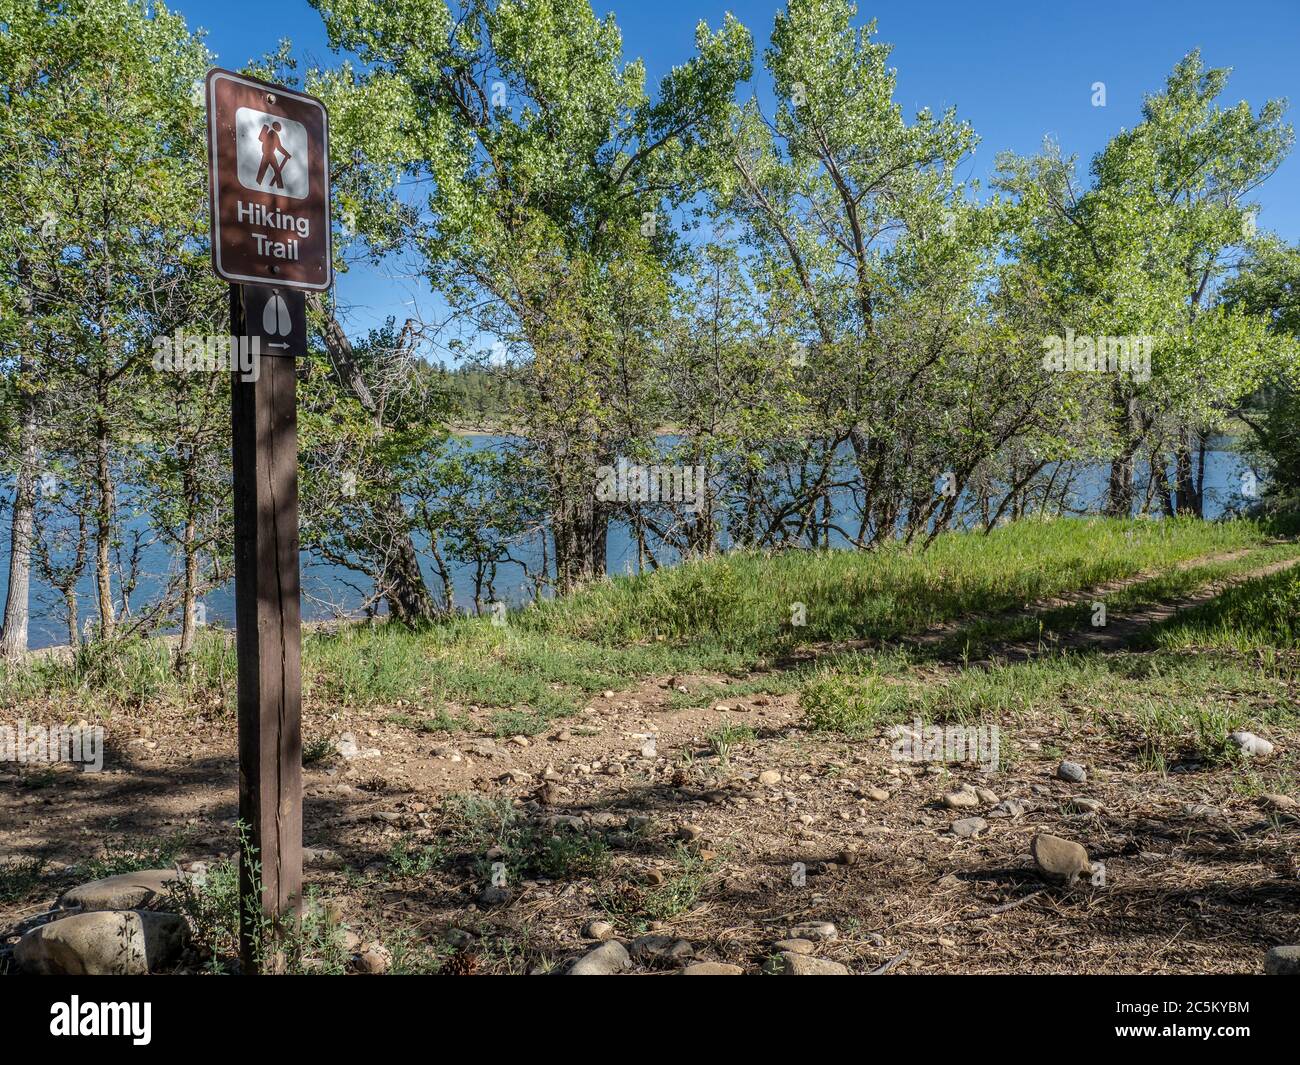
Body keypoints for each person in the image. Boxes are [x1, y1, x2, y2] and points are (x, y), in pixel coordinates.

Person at [255, 121, 291, 190]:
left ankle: (258, 183)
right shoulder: (273, 133)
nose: (279, 128)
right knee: (276, 169)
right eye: (278, 127)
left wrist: (287, 154)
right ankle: (280, 187)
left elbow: (278, 147)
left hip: (267, 153)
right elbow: (279, 147)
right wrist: (287, 154)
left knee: (263, 169)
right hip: (269, 154)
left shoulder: (272, 133)